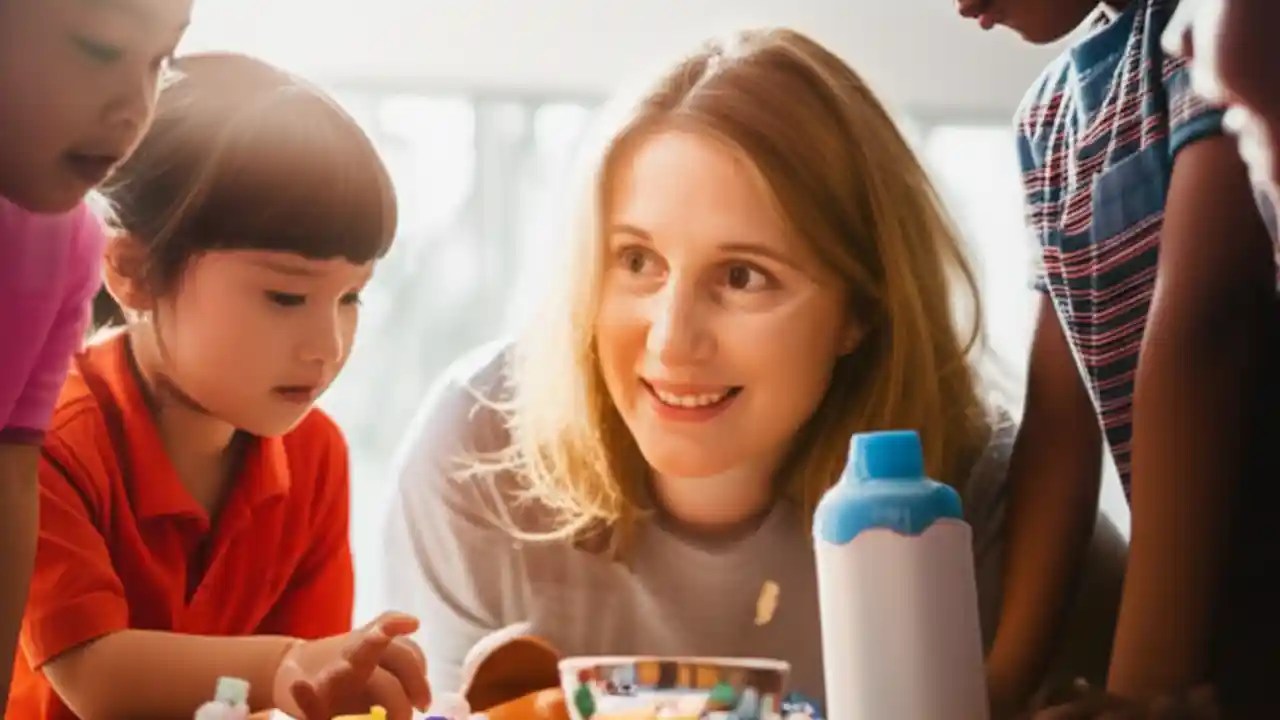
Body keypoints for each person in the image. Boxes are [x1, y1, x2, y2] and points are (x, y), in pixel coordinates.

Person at [381, 27, 1127, 711]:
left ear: (861, 309)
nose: (672, 343)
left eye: (743, 277)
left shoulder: (988, 511)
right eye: (637, 262)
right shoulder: (479, 451)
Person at [6, 53, 429, 720]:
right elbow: (96, 677)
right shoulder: (45, 442)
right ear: (133, 271)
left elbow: (300, 700)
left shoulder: (315, 455)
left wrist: (336, 677)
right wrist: (288, 665)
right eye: (286, 297)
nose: (329, 346)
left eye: (351, 298)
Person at [956, 0, 1280, 715]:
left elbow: (1204, 331)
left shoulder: (1217, 32)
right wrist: (996, 691)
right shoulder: (1046, 122)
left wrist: (1143, 686)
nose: (960, 5)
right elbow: (1059, 425)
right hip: (1210, 639)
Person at [0, 0, 192, 712]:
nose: (133, 107)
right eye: (99, 48)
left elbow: (10, 484)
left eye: (161, 62)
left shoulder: (65, 247)